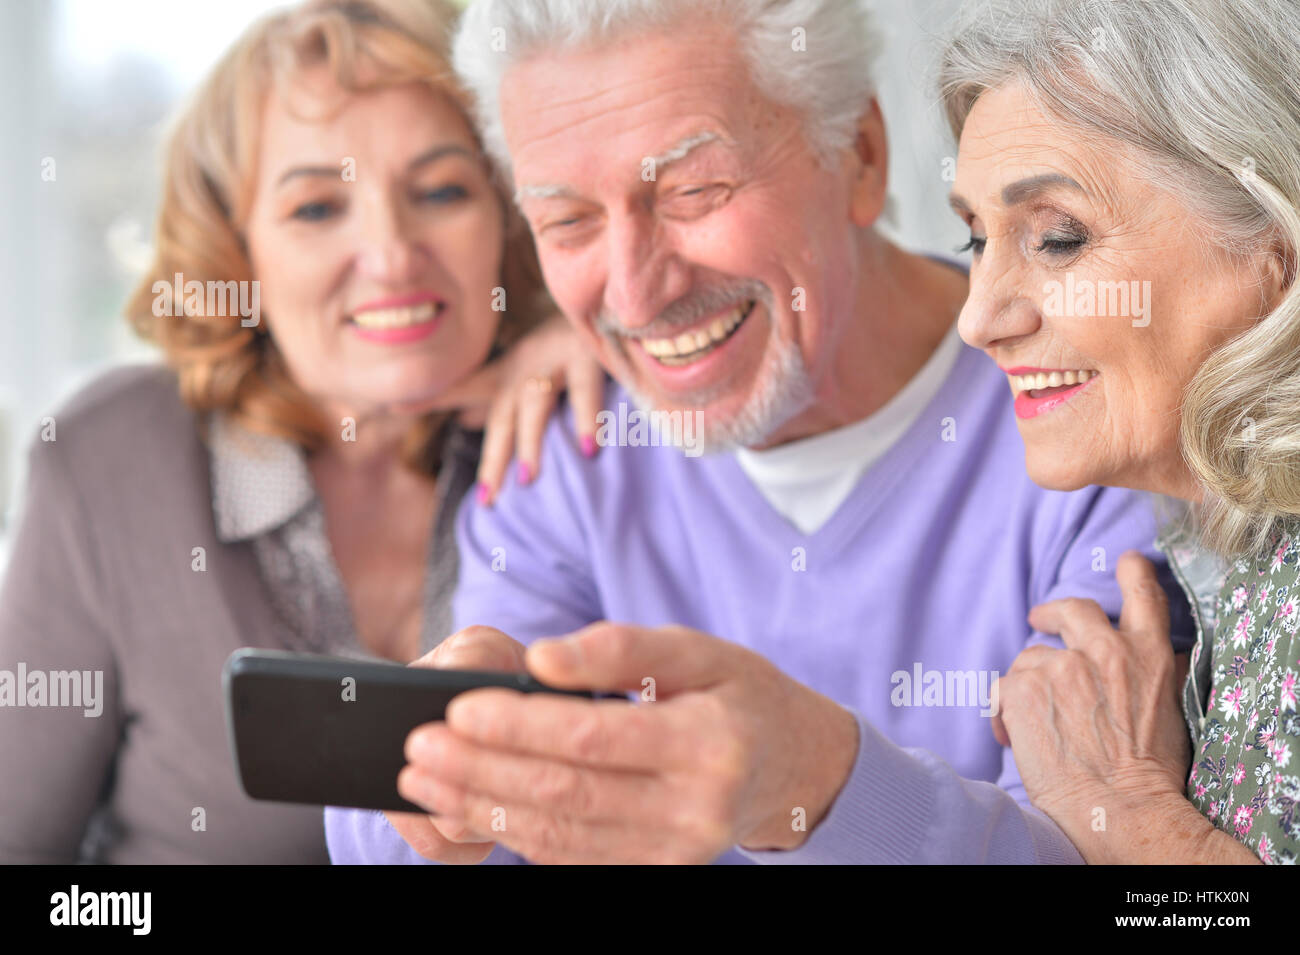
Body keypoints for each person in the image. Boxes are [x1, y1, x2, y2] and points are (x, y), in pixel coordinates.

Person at [324, 0, 1194, 866]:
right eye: (569, 222)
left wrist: (817, 782)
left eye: (695, 191)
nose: (634, 295)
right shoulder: (557, 463)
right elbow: (410, 843)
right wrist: (432, 785)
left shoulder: (1090, 426)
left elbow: (1098, 866)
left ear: (859, 153)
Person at [0, 0, 605, 864]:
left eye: (441, 191)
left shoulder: (586, 435)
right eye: (319, 208)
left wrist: (605, 332)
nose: (392, 253)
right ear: (237, 249)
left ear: (510, 221)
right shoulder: (107, 462)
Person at [938, 0, 1300, 865]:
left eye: (1058, 239)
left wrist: (1129, 814)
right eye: (975, 240)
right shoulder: (1222, 536)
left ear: (1275, 241)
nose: (978, 318)